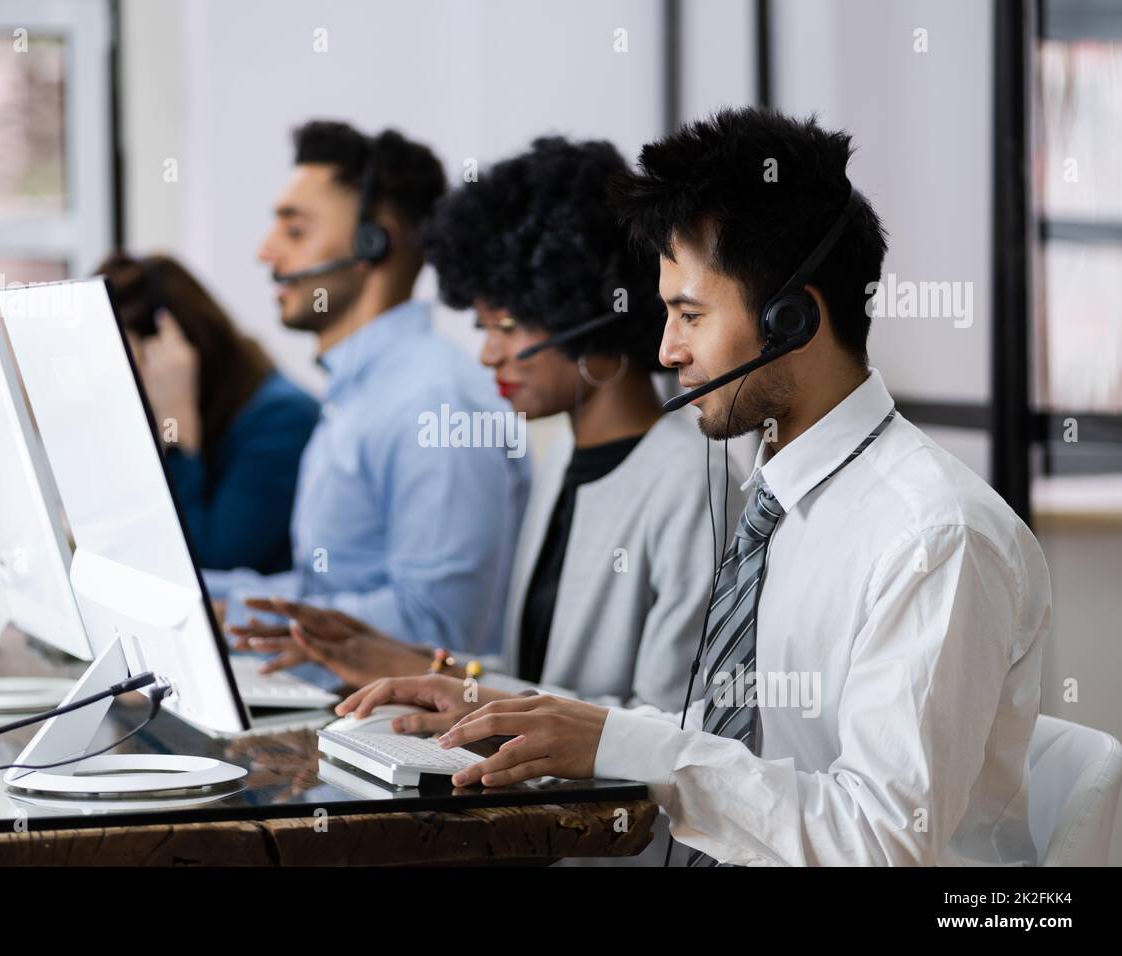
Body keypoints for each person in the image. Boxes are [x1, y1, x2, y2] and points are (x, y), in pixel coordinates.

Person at [334, 108, 1052, 867]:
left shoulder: (931, 537)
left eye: (690, 314)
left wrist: (630, 747)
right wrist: (500, 708)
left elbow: (881, 840)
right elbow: (706, 739)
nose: (667, 346)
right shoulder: (769, 500)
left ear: (791, 322)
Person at [232, 137, 742, 719]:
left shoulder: (692, 483)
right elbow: (541, 683)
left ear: (583, 312)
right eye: (481, 327)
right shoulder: (561, 465)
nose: (487, 355)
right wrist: (415, 665)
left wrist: (443, 681)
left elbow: (676, 726)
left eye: (505, 326)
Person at [206, 121, 528, 655]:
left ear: (372, 241)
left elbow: (439, 626)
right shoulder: (360, 393)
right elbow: (327, 592)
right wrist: (202, 599)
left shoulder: (435, 401)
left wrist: (238, 618)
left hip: (409, 728)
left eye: (295, 231)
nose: (267, 253)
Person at [97, 252, 318, 574]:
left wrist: (176, 429)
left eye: (125, 364)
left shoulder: (282, 420)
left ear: (172, 351)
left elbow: (207, 562)